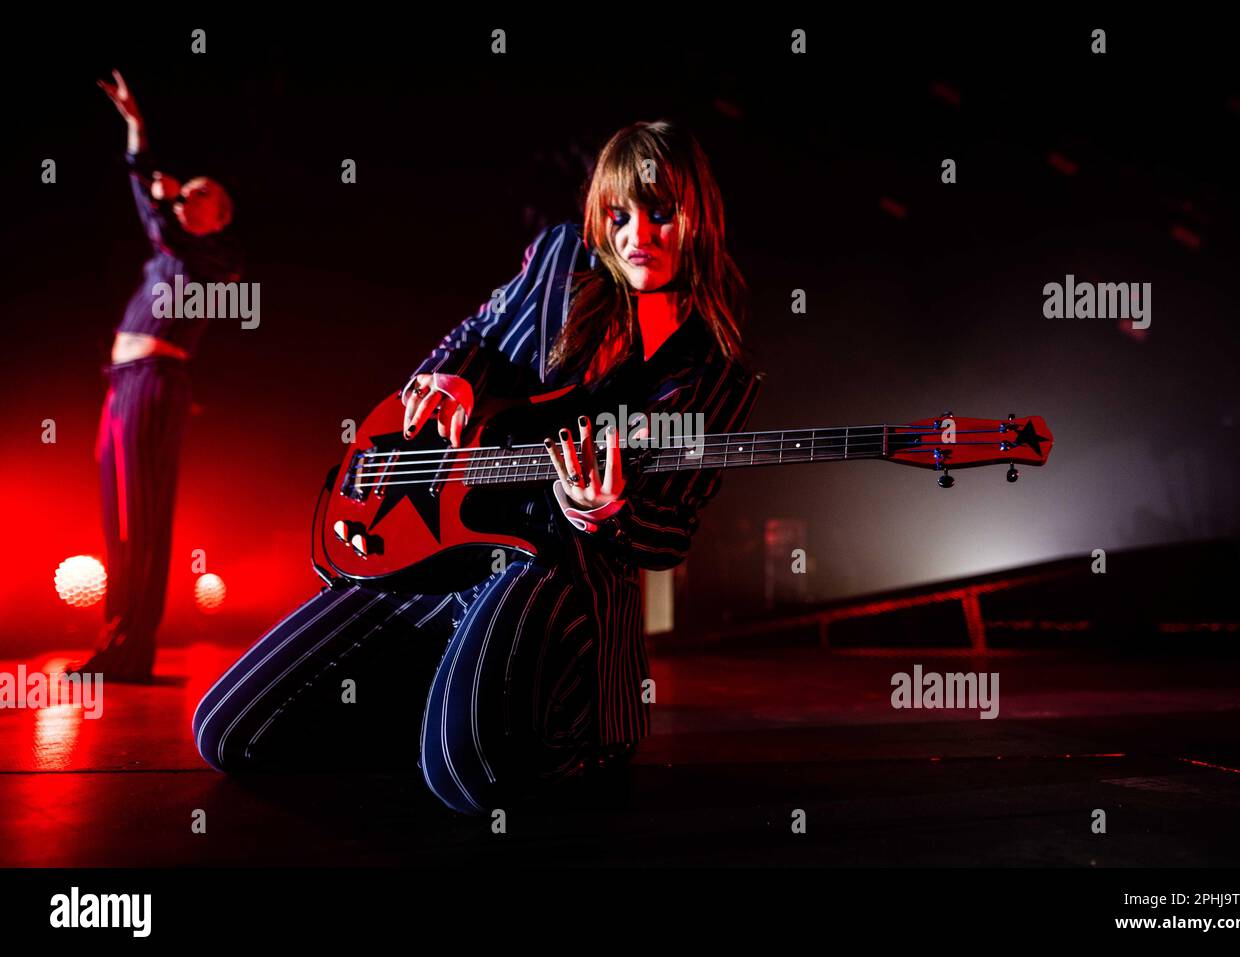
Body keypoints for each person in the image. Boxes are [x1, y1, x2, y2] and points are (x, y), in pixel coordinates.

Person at [192, 120, 761, 815]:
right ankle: (438, 704)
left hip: (555, 571)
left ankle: (563, 733)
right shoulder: (559, 259)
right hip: (442, 543)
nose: (636, 232)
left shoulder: (717, 373)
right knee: (228, 730)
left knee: (468, 779)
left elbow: (670, 532)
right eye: (619, 214)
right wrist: (451, 380)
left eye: (661, 212)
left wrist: (608, 510)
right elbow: (474, 336)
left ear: (698, 214)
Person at [71, 70, 243, 682]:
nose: (185, 198)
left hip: (154, 385)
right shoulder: (170, 253)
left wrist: (149, 161)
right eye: (187, 192)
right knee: (116, 514)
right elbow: (155, 217)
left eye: (199, 195)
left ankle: (129, 647)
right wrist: (140, 142)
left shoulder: (212, 259)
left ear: (218, 218)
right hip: (124, 383)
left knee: (139, 515)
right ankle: (116, 644)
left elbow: (160, 219)